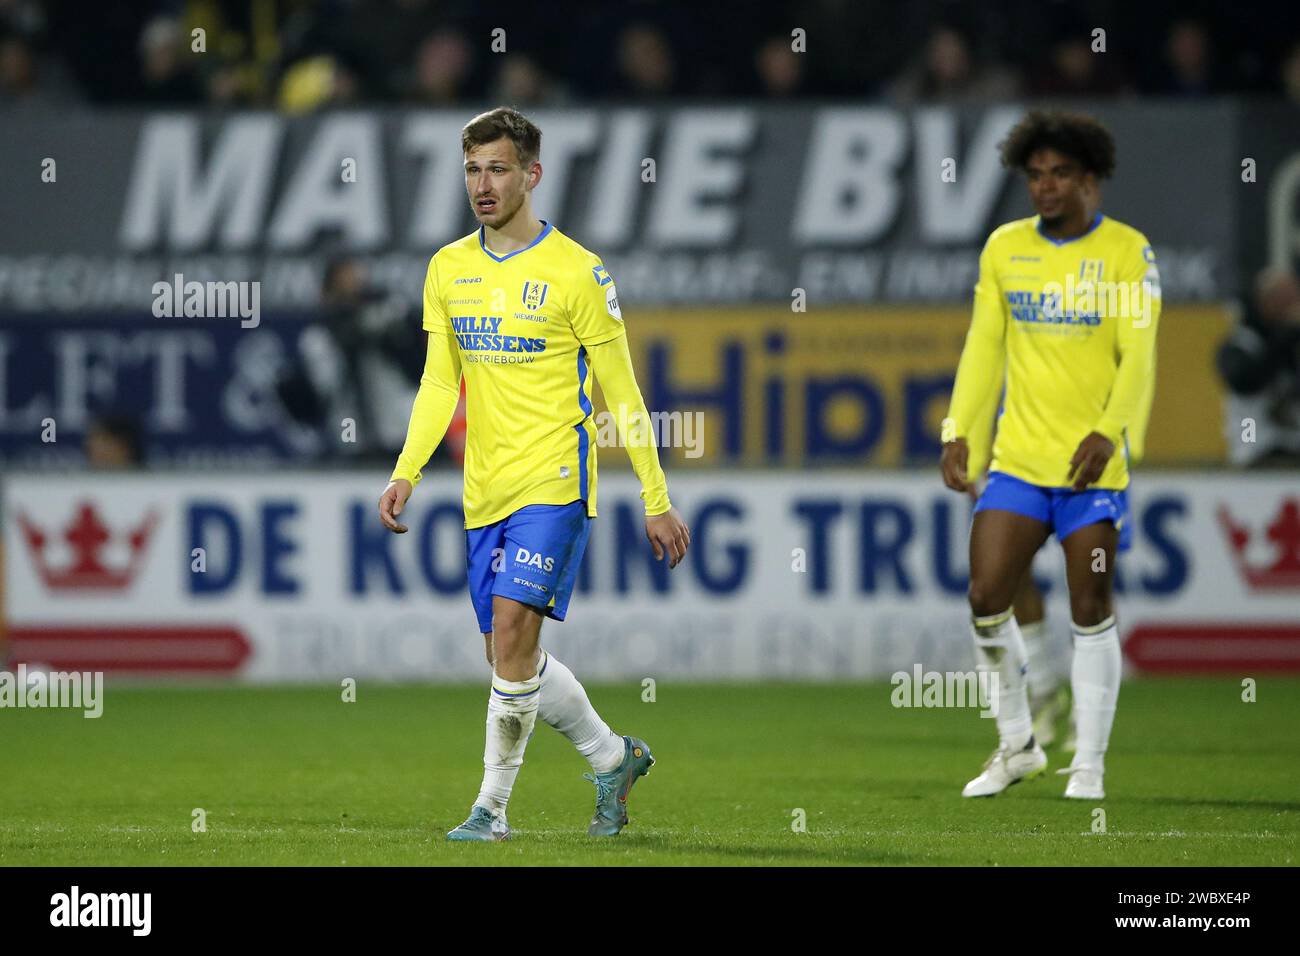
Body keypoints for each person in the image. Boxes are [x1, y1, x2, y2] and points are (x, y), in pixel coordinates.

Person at [378, 107, 690, 840]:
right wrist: (407, 472)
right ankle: (612, 756)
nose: (482, 185)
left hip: (555, 481)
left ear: (531, 175)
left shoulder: (577, 271)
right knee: (507, 656)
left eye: (497, 169)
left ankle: (490, 810)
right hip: (483, 489)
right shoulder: (447, 269)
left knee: (514, 632)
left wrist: (657, 497)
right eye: (471, 170)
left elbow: (623, 389)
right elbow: (437, 386)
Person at [941, 110, 1160, 800]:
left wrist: (1111, 429)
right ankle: (1017, 745)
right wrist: (959, 430)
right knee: (984, 594)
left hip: (1094, 471)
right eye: (1035, 175)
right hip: (1019, 464)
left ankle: (1088, 766)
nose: (1045, 187)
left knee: (1089, 605)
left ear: (1091, 179)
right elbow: (984, 348)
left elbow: (1140, 355)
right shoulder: (1005, 249)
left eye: (1061, 174)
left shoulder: (1128, 253)